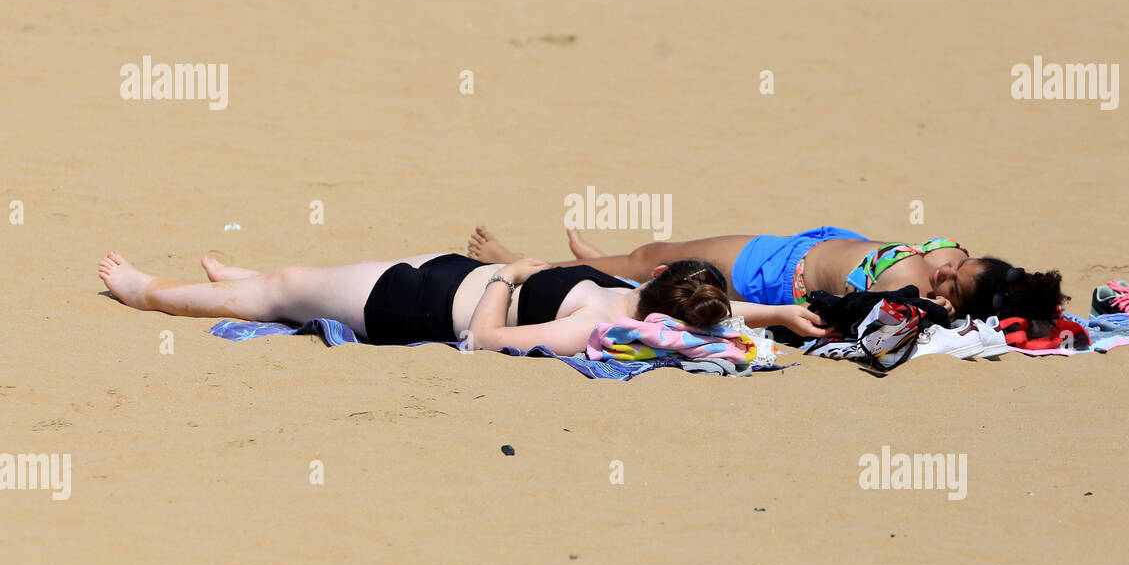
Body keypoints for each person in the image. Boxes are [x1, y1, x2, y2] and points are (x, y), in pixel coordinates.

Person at [97, 249, 831, 357]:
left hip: (415, 307)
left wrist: (508, 278)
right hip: (439, 275)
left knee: (283, 290)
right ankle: (252, 282)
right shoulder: (643, 301)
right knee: (286, 282)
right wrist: (776, 316)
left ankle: (146, 293)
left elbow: (487, 343)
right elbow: (723, 313)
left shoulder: (601, 319)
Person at [467, 224, 1067, 321]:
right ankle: (586, 259)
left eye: (955, 281)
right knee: (653, 255)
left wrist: (937, 305)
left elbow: (875, 319)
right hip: (801, 246)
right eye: (957, 264)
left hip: (772, 275)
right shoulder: (943, 263)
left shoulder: (911, 293)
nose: (945, 269)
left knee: (654, 265)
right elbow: (945, 248)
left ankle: (516, 266)